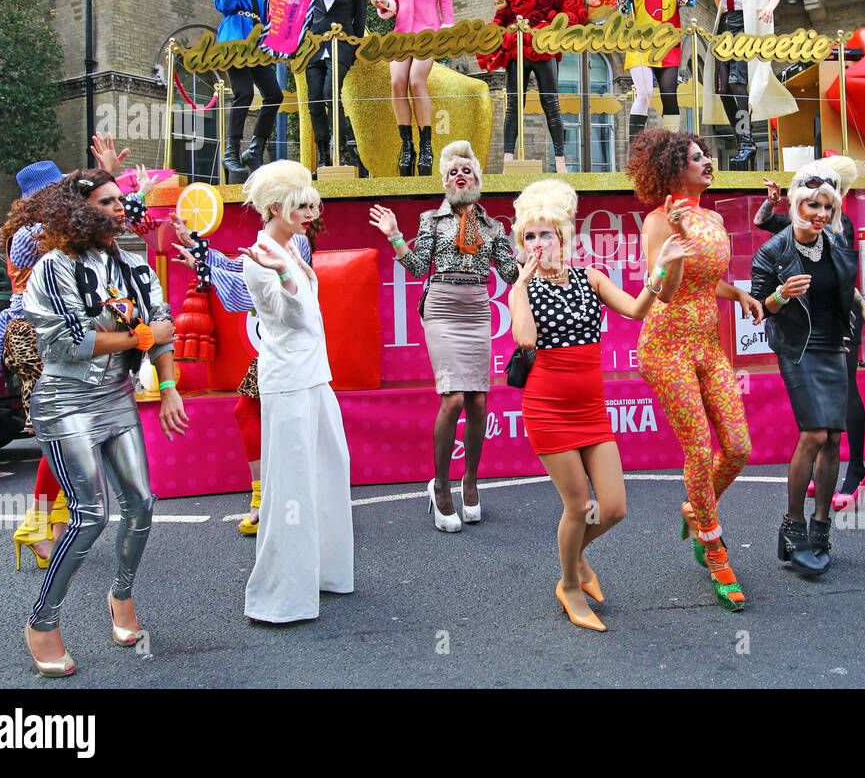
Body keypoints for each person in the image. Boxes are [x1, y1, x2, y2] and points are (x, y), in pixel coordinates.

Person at [21, 169, 188, 677]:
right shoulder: (52, 267)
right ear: (79, 209)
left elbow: (162, 331)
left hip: (117, 397)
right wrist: (142, 338)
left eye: (123, 200)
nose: (122, 208)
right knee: (89, 516)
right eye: (108, 201)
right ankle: (43, 623)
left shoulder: (135, 265)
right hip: (65, 399)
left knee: (141, 502)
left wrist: (168, 387)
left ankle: (122, 596)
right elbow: (70, 342)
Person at [509, 179, 690, 631]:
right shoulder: (522, 289)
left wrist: (662, 268)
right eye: (528, 236)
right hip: (547, 409)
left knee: (612, 508)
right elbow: (525, 340)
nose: (537, 244)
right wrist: (520, 285)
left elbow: (636, 310)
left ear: (563, 237)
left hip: (591, 410)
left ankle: (575, 556)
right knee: (578, 506)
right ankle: (569, 583)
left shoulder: (590, 277)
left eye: (545, 234)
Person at [3, 137, 157, 569]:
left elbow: (118, 223)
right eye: (57, 192)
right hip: (39, 338)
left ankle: (47, 524)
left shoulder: (66, 234)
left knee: (70, 435)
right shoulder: (29, 237)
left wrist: (115, 182)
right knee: (66, 432)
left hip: (72, 333)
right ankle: (38, 526)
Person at [626, 129, 763, 611]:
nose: (708, 162)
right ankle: (714, 546)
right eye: (696, 158)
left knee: (739, 447)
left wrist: (741, 294)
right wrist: (678, 240)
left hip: (706, 346)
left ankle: (695, 507)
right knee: (699, 451)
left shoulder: (711, 215)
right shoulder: (659, 220)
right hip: (666, 349)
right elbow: (664, 292)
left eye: (706, 156)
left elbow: (711, 283)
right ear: (672, 170)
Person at [369, 141, 519, 531]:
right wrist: (395, 235)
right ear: (446, 182)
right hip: (442, 308)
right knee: (453, 399)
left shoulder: (493, 227)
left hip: (475, 307)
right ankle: (441, 485)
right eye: (452, 172)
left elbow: (511, 276)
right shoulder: (430, 221)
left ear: (477, 180)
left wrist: (522, 247)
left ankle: (470, 480)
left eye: (465, 171)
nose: (459, 176)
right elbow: (418, 266)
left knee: (479, 401)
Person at [239, 161, 353, 623]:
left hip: (313, 376)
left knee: (330, 468)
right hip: (286, 382)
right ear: (274, 208)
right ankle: (280, 598)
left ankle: (324, 574)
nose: (310, 211)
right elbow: (293, 319)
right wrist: (285, 276)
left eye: (313, 204)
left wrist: (293, 268)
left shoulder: (289, 247)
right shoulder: (259, 256)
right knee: (291, 487)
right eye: (301, 205)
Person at [752, 167, 865, 576]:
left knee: (834, 437)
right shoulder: (774, 251)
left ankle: (821, 527)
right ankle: (793, 526)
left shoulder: (836, 243)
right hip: (798, 348)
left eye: (827, 206)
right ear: (795, 205)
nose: (820, 213)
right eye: (812, 205)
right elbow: (756, 309)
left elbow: (845, 286)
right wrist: (779, 295)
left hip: (835, 344)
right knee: (814, 433)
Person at [168, 214, 320, 534]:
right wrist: (196, 247)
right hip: (276, 351)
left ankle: (288, 504)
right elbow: (239, 267)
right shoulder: (269, 243)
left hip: (292, 355)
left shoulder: (296, 245)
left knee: (294, 425)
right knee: (248, 411)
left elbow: (246, 289)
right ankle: (266, 497)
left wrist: (201, 264)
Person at [476, 0, 589, 173]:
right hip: (516, 50)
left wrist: (554, 28)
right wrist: (487, 40)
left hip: (544, 48)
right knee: (514, 106)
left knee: (551, 102)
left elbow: (569, 7)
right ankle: (508, 160)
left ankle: (560, 160)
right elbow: (500, 20)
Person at [698, 0, 797, 169]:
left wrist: (769, 7)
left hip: (746, 24)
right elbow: (722, 2)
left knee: (737, 81)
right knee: (722, 88)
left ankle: (745, 140)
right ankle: (743, 139)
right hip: (725, 25)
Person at [199, 0, 283, 182]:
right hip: (234, 38)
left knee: (274, 94)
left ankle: (255, 148)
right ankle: (231, 151)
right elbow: (223, 6)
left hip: (256, 41)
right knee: (244, 93)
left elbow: (262, 12)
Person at [373, 0, 454, 177]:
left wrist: (446, 27)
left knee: (416, 80)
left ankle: (426, 146)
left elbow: (447, 2)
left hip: (428, 32)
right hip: (401, 32)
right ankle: (407, 146)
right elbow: (392, 2)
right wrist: (383, 3)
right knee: (397, 82)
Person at [620, 0, 703, 141]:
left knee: (669, 95)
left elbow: (689, 0)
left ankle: (671, 148)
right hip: (641, 45)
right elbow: (623, 12)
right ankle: (635, 149)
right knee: (645, 93)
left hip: (668, 47)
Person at [303, 0, 367, 174]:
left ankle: (339, 148)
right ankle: (323, 157)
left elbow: (359, 19)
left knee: (331, 94)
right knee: (315, 103)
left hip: (340, 45)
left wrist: (353, 46)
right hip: (315, 47)